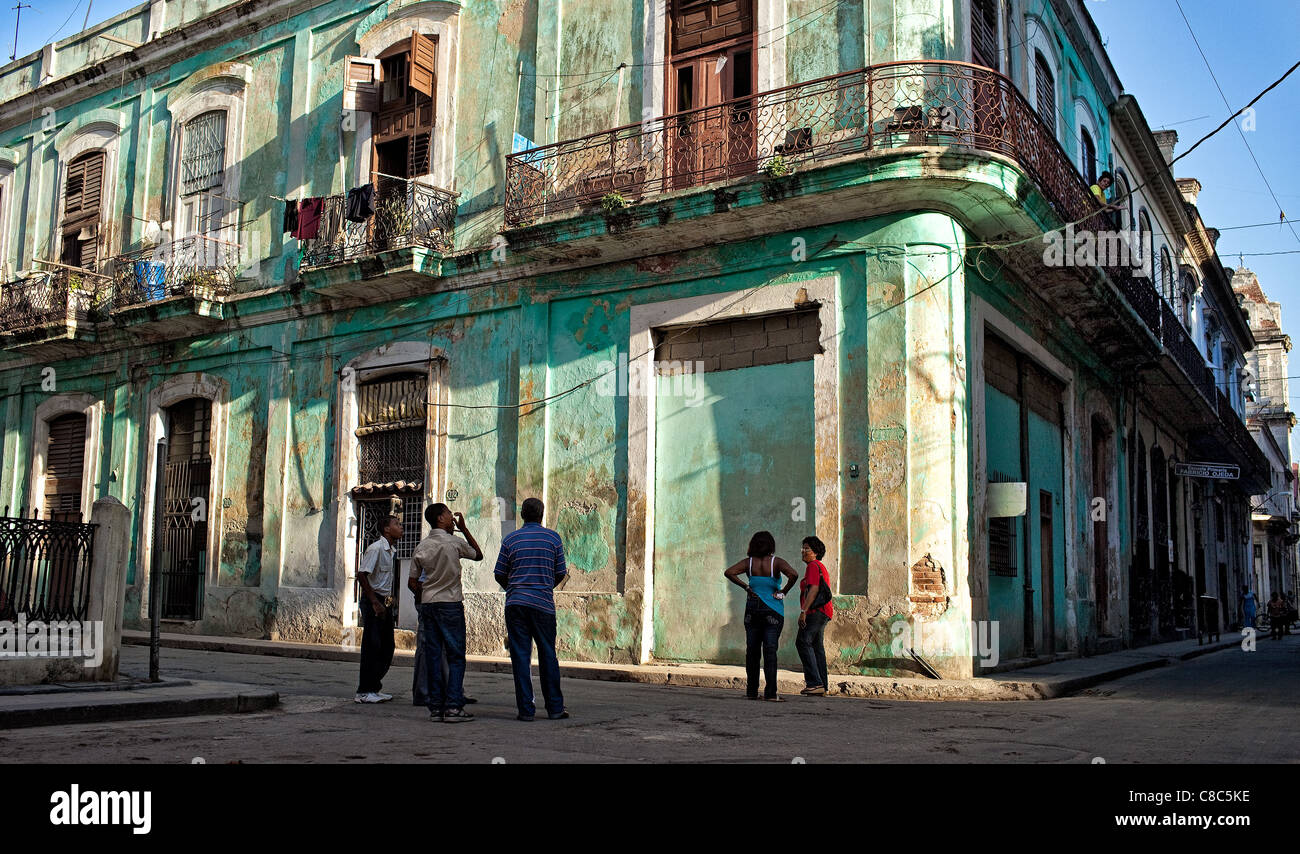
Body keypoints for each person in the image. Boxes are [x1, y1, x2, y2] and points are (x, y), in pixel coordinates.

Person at [494, 497, 568, 721]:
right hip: (543, 605)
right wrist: (544, 587)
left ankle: (526, 710)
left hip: (516, 604)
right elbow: (560, 572)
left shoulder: (511, 540)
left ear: (523, 515)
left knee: (520, 656)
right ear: (542, 514)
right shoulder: (553, 539)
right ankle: (555, 709)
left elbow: (499, 573)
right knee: (548, 655)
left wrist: (515, 589)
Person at [411, 503, 483, 723]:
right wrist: (464, 529)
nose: (452, 518)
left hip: (429, 604)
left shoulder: (422, 546)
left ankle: (436, 708)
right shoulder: (454, 542)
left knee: (433, 655)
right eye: (449, 514)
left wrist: (425, 594)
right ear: (441, 518)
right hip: (450, 604)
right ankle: (453, 707)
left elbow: (413, 581)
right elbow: (477, 555)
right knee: (455, 656)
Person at [724, 531, 798, 701]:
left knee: (752, 651)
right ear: (771, 545)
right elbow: (793, 574)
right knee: (770, 651)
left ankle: (751, 692)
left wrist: (746, 587)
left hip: (752, 609)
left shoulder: (748, 563)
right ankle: (771, 693)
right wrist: (783, 591)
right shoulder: (776, 562)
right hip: (773, 610)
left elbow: (729, 572)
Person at [355, 515, 403, 703]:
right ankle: (364, 691)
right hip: (374, 601)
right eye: (397, 524)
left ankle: (374, 686)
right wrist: (374, 602)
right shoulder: (375, 549)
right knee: (372, 646)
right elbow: (362, 575)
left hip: (385, 602)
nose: (401, 527)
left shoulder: (391, 551)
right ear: (386, 530)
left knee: (387, 646)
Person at [795, 535, 833, 697]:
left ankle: (814, 683)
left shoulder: (813, 566)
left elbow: (814, 589)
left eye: (807, 549)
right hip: (823, 612)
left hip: (815, 612)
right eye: (803, 548)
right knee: (817, 647)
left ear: (816, 552)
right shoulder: (818, 566)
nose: (803, 551)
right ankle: (821, 685)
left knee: (802, 642)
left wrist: (803, 611)